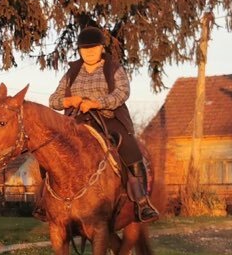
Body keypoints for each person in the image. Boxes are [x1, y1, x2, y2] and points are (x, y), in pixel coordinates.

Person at [46, 25, 159, 223]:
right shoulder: (71, 72)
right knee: (51, 150)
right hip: (76, 122)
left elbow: (122, 93)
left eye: (93, 48)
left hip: (109, 118)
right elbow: (53, 100)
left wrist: (97, 103)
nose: (89, 52)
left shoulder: (114, 68)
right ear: (79, 50)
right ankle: (44, 202)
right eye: (85, 49)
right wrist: (67, 101)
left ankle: (142, 202)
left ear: (101, 48)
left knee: (131, 149)